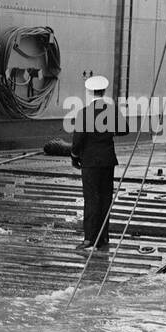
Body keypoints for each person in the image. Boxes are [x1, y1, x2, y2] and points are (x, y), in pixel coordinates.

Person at [71, 75, 120, 252]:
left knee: (91, 198)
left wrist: (74, 154)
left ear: (89, 92)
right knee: (106, 198)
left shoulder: (84, 112)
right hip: (108, 161)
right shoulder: (111, 110)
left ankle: (89, 239)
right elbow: (125, 130)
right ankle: (104, 237)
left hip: (90, 162)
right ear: (104, 91)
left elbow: (78, 139)